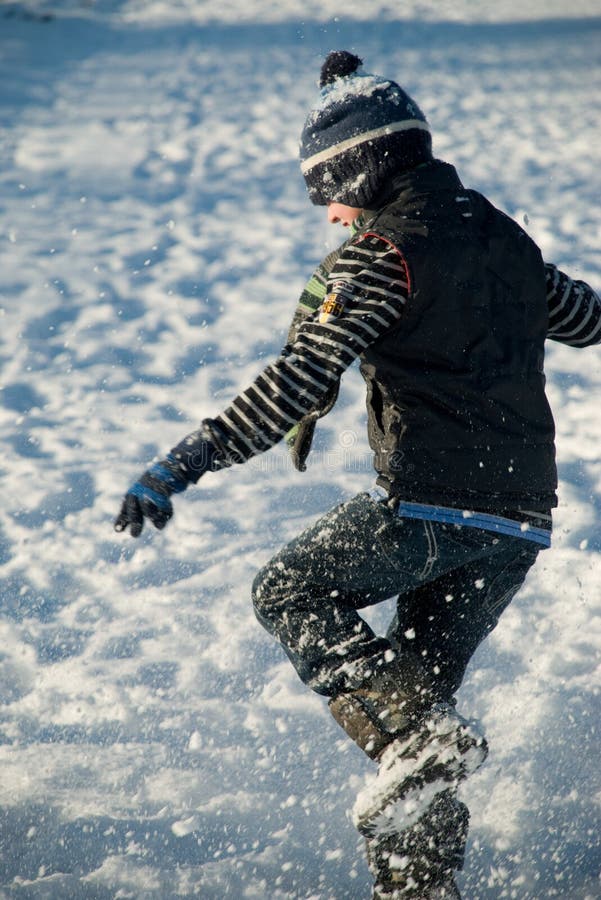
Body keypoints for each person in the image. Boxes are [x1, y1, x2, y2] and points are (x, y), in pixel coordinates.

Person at [114, 51, 601, 899]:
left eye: (327, 191)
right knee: (418, 714)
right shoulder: (505, 239)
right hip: (519, 517)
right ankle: (420, 885)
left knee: (288, 590)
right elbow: (585, 319)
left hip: (432, 504)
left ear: (361, 170)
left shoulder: (382, 255)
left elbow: (299, 379)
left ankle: (415, 761)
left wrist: (185, 459)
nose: (331, 215)